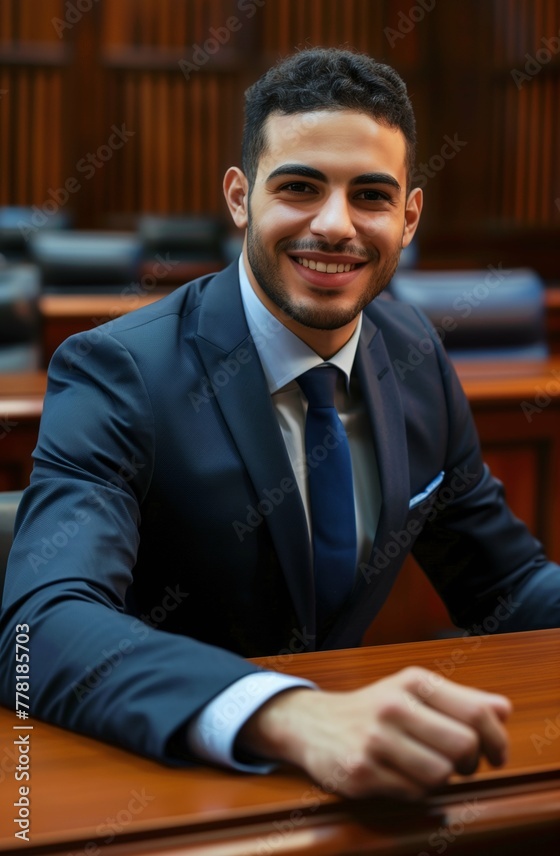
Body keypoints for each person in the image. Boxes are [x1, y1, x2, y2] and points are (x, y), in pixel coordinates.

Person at [1, 48, 559, 802]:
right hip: (161, 781)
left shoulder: (416, 353)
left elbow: (507, 584)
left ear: (409, 215)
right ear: (239, 197)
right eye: (300, 187)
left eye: (370, 195)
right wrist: (287, 714)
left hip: (356, 786)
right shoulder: (117, 371)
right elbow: (38, 631)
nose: (335, 225)